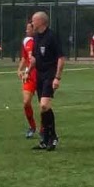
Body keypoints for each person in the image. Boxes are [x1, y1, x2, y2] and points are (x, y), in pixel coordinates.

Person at [28, 11, 63, 151]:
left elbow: (61, 58)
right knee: (44, 108)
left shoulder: (52, 36)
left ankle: (53, 136)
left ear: (41, 22)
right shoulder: (36, 37)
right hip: (40, 75)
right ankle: (45, 139)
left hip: (50, 74)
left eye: (33, 21)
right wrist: (28, 71)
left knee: (44, 105)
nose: (31, 23)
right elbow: (35, 58)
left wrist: (57, 77)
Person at [16, 24, 39, 138]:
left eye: (28, 28)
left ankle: (45, 129)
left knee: (44, 105)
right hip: (28, 75)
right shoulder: (26, 41)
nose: (26, 30)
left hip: (41, 75)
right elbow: (25, 57)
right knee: (26, 102)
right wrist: (19, 69)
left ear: (34, 29)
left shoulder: (42, 39)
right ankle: (32, 126)